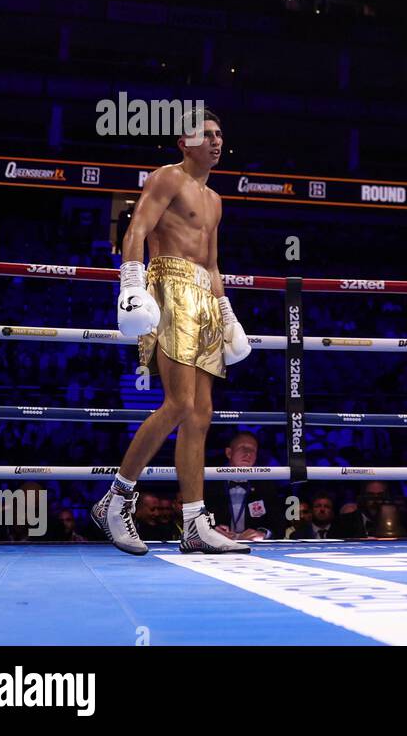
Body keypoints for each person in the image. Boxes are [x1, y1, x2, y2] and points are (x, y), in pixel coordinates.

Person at [92, 109, 253, 555]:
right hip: (169, 285)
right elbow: (137, 229)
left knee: (201, 412)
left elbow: (213, 263)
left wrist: (227, 313)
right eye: (208, 135)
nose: (218, 142)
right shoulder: (167, 178)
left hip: (204, 296)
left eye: (221, 134)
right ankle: (116, 498)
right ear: (185, 141)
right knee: (179, 403)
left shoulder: (216, 200)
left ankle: (194, 522)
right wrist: (131, 283)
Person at [207, 432, 287, 541]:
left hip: (255, 548)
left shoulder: (266, 484)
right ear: (229, 453)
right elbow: (196, 518)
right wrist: (210, 530)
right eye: (243, 448)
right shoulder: (209, 481)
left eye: (252, 450)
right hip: (216, 545)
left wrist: (263, 533)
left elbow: (279, 524)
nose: (248, 453)